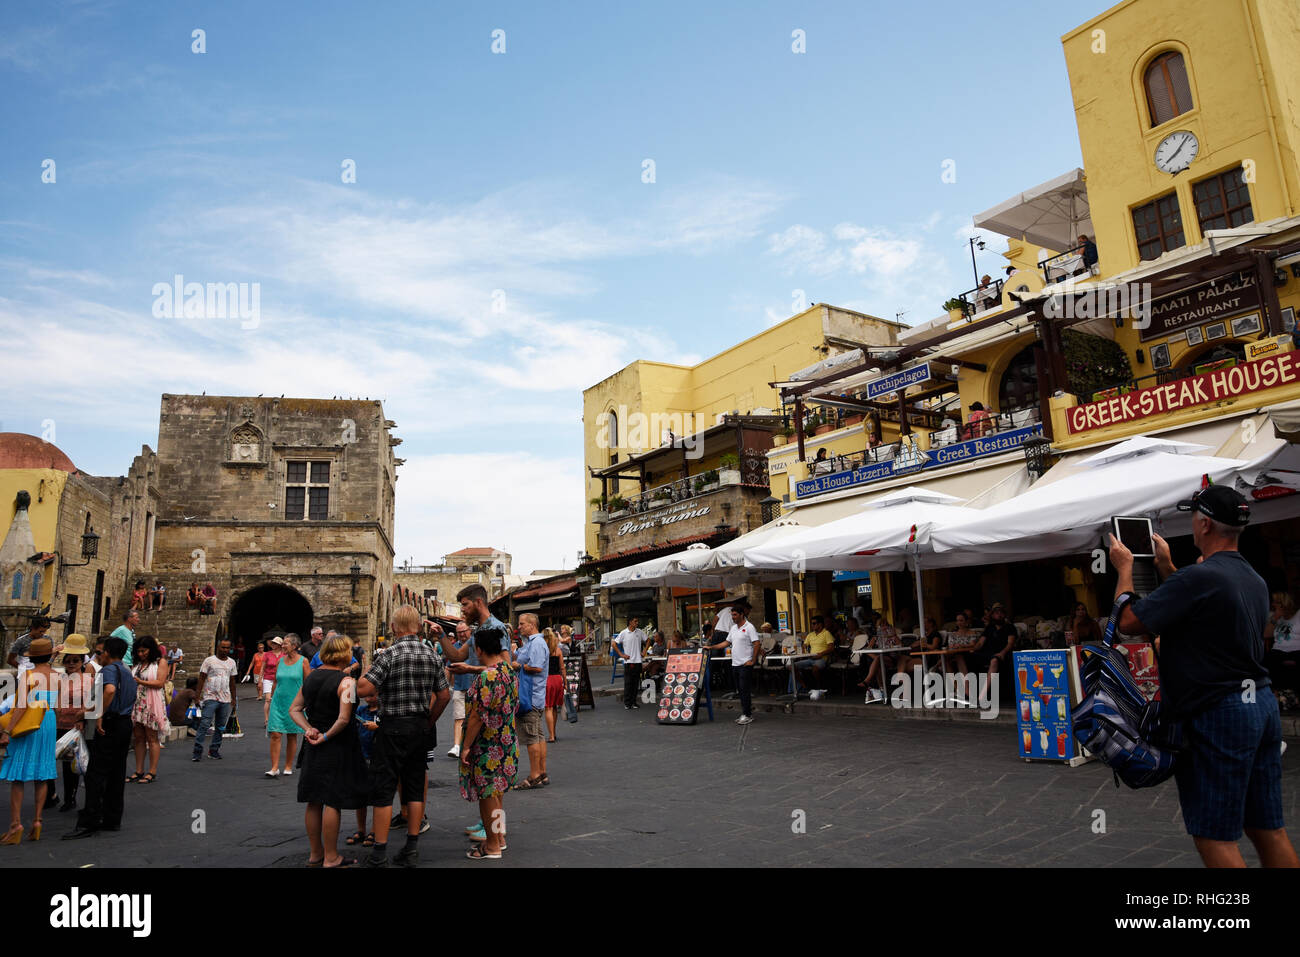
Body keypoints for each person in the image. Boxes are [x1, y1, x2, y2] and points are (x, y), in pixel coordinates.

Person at [1109, 484, 1298, 868]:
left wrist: (1125, 569)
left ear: (1206, 524)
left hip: (1218, 712)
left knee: (1215, 836)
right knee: (1267, 827)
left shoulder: (1199, 578)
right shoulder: (1251, 578)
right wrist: (1166, 567)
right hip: (1260, 705)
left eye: (1194, 517)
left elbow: (1128, 623)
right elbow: (1202, 597)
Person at [356, 606, 445, 868]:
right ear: (418, 627)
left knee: (384, 789)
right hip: (419, 727)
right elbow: (444, 695)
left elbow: (364, 689)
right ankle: (411, 847)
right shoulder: (431, 654)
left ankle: (379, 851)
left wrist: (365, 667)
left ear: (394, 627)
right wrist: (429, 720)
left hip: (391, 727)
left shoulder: (390, 654)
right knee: (414, 789)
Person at [290, 634, 369, 868]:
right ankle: (331, 856)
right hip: (337, 745)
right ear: (344, 655)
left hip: (312, 744)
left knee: (313, 801)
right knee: (332, 800)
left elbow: (294, 709)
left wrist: (309, 729)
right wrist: (324, 736)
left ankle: (316, 854)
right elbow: (344, 719)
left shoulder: (312, 678)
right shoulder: (347, 683)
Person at [63, 636, 137, 840]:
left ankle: (90, 820)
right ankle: (112, 817)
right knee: (117, 771)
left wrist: (98, 714)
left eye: (99, 652)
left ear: (107, 653)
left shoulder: (109, 670)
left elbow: (110, 690)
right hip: (124, 723)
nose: (98, 656)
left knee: (96, 773)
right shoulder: (126, 670)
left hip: (111, 724)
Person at [458, 625, 518, 860]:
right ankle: (499, 837)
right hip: (506, 741)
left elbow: (476, 716)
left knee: (487, 796)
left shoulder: (487, 676)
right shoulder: (507, 670)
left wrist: (466, 746)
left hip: (487, 745)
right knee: (497, 794)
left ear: (480, 649)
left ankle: (492, 845)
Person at [0, 637, 59, 843]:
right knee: (42, 774)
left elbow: (22, 705)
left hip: (29, 721)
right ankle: (37, 821)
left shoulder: (30, 675)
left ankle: (15, 825)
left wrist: (7, 730)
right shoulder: (56, 675)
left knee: (18, 777)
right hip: (48, 719)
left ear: (32, 657)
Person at [54, 634, 95, 811]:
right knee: (66, 763)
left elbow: (90, 703)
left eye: (75, 661)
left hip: (78, 726)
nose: (71, 664)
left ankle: (88, 801)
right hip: (61, 725)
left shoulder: (88, 680)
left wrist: (82, 720)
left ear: (81, 662)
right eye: (68, 661)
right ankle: (69, 798)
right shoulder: (60, 679)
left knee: (80, 764)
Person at [511, 613, 549, 789]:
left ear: (532, 625)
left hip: (530, 696)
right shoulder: (533, 643)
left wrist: (520, 666)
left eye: (522, 624)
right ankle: (541, 773)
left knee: (531, 737)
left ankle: (534, 775)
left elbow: (537, 667)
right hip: (535, 696)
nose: (519, 627)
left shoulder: (537, 643)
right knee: (538, 736)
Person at [127, 636, 169, 783]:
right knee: (138, 738)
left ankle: (152, 771)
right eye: (138, 651)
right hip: (138, 702)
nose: (141, 654)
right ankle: (139, 770)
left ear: (151, 649)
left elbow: (159, 683)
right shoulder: (138, 664)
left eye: (143, 651)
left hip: (151, 703)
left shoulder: (160, 662)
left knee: (152, 738)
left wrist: (140, 681)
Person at [266, 634, 309, 777]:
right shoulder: (280, 662)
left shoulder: (303, 662)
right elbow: (276, 682)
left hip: (294, 704)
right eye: (283, 644)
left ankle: (288, 765)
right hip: (278, 702)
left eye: (286, 644)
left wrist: (306, 703)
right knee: (275, 734)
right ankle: (274, 768)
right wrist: (270, 698)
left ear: (295, 646)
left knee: (291, 734)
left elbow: (307, 684)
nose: (283, 646)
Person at [193, 639, 240, 761]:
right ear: (218, 647)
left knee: (220, 726)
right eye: (222, 647)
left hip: (225, 698)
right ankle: (197, 751)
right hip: (210, 697)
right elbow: (202, 678)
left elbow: (232, 682)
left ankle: (214, 750)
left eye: (227, 648)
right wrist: (197, 696)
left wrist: (234, 699)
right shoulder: (209, 661)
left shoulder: (232, 663)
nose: (225, 650)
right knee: (204, 724)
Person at [714, 601, 760, 724]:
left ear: (741, 614)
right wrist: (712, 647)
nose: (732, 617)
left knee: (745, 690)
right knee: (740, 690)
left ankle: (747, 714)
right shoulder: (733, 628)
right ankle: (745, 713)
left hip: (745, 664)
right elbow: (726, 643)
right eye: (732, 615)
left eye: (734, 615)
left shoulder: (749, 627)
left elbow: (757, 643)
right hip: (735, 664)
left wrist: (753, 661)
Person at [447, 620, 474, 758]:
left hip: (474, 687)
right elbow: (448, 667)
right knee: (459, 717)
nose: (462, 634)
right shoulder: (454, 647)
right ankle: (457, 746)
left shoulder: (475, 645)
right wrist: (447, 686)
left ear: (470, 630)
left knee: (474, 718)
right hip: (459, 687)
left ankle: (469, 745)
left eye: (464, 631)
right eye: (459, 632)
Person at [1264, 593, 1300, 694]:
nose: (1273, 605)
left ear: (1284, 603)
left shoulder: (1298, 615)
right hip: (1278, 651)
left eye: (1276, 602)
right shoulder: (1274, 617)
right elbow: (1266, 635)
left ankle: (1292, 693)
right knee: (1268, 659)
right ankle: (1279, 692)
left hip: (1297, 650)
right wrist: (1276, 617)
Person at [976, 603, 1018, 685]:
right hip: (988, 653)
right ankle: (966, 692)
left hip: (1002, 654)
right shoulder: (989, 628)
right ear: (992, 615)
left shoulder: (1010, 627)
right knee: (965, 657)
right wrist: (971, 649)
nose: (999, 615)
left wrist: (1002, 653)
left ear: (1004, 614)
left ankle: (982, 694)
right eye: (996, 613)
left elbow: (1010, 643)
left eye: (1001, 613)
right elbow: (980, 643)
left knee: (994, 660)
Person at [612, 616, 647, 710]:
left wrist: (644, 651)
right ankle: (627, 703)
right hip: (629, 661)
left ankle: (634, 702)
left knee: (636, 683)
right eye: (635, 621)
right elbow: (613, 643)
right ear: (630, 622)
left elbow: (648, 640)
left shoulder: (639, 632)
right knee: (628, 683)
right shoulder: (624, 633)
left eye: (637, 621)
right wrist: (621, 654)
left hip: (638, 661)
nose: (637, 623)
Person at [796, 614, 835, 691]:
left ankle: (819, 686)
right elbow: (804, 645)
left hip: (822, 658)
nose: (812, 625)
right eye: (811, 623)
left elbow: (831, 648)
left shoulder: (826, 633)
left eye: (814, 623)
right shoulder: (810, 635)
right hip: (811, 658)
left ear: (820, 624)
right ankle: (804, 686)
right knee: (791, 666)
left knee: (815, 669)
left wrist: (821, 654)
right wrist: (803, 651)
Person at [544, 627, 566, 744]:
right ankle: (554, 732)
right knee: (554, 708)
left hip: (547, 680)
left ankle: (551, 735)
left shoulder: (543, 651)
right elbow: (562, 668)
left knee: (548, 707)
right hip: (557, 679)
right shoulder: (558, 650)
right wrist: (565, 682)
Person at [261, 637, 283, 723]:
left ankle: (276, 718)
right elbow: (263, 667)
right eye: (273, 643)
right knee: (268, 699)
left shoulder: (284, 655)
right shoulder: (267, 654)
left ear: (280, 645)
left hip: (279, 679)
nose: (273, 645)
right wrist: (260, 680)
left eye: (276, 643)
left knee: (278, 699)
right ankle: (266, 719)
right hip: (268, 678)